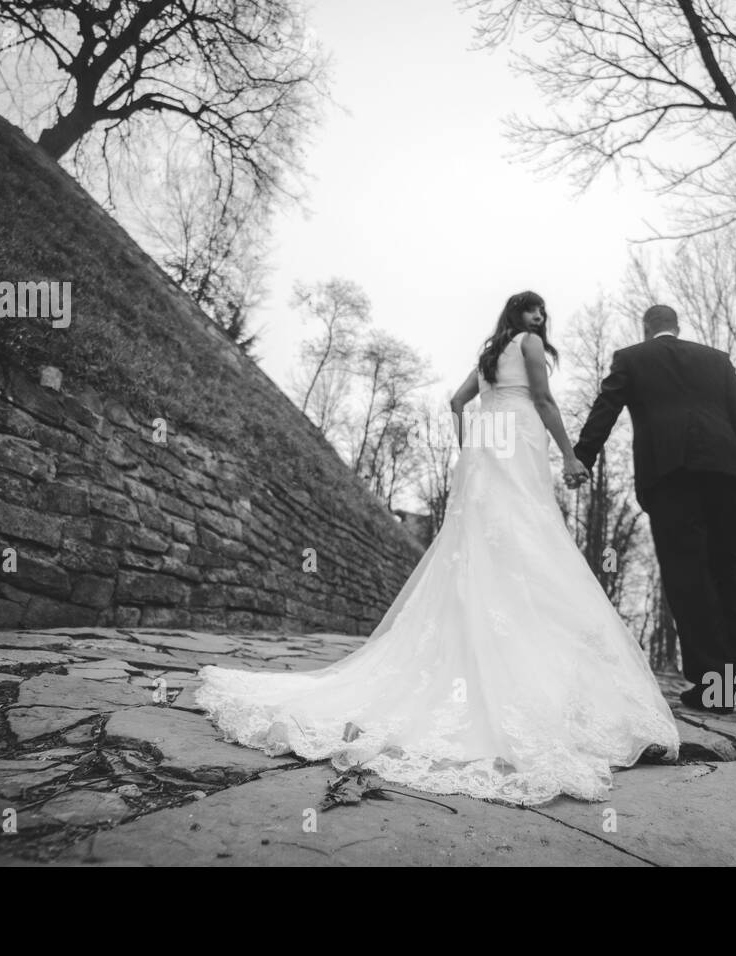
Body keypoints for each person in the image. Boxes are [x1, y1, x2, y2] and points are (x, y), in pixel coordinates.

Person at [196, 291, 682, 806]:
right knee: (526, 531)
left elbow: (457, 403)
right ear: (520, 316)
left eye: (540, 311)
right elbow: (542, 401)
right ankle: (519, 634)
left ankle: (485, 625)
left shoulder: (490, 353)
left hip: (486, 445)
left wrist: (468, 443)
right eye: (531, 310)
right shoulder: (532, 344)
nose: (538, 318)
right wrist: (570, 456)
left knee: (484, 539)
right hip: (518, 438)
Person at [572, 304, 736, 713]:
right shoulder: (716, 360)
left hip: (670, 473)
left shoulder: (631, 358)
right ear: (677, 327)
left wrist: (582, 457)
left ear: (646, 330)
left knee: (688, 573)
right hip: (724, 470)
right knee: (735, 566)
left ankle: (714, 685)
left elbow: (605, 409)